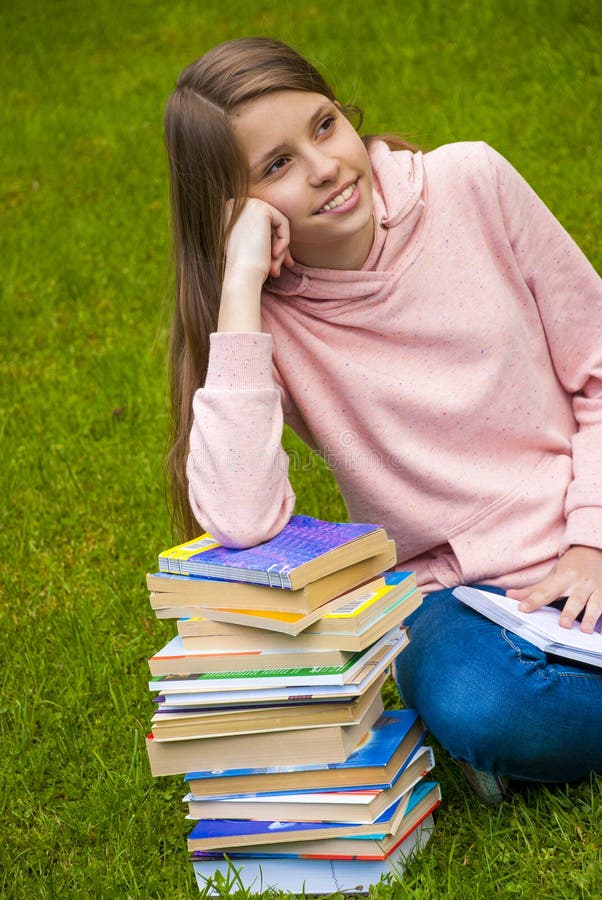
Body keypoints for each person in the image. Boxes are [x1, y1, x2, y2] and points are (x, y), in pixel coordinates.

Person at [163, 37, 602, 803]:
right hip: (456, 595)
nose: (326, 167)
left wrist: (592, 539)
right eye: (277, 165)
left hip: (583, 516)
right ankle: (527, 728)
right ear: (232, 208)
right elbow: (240, 518)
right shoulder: (264, 321)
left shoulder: (472, 182)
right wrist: (238, 288)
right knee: (481, 703)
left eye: (324, 126)